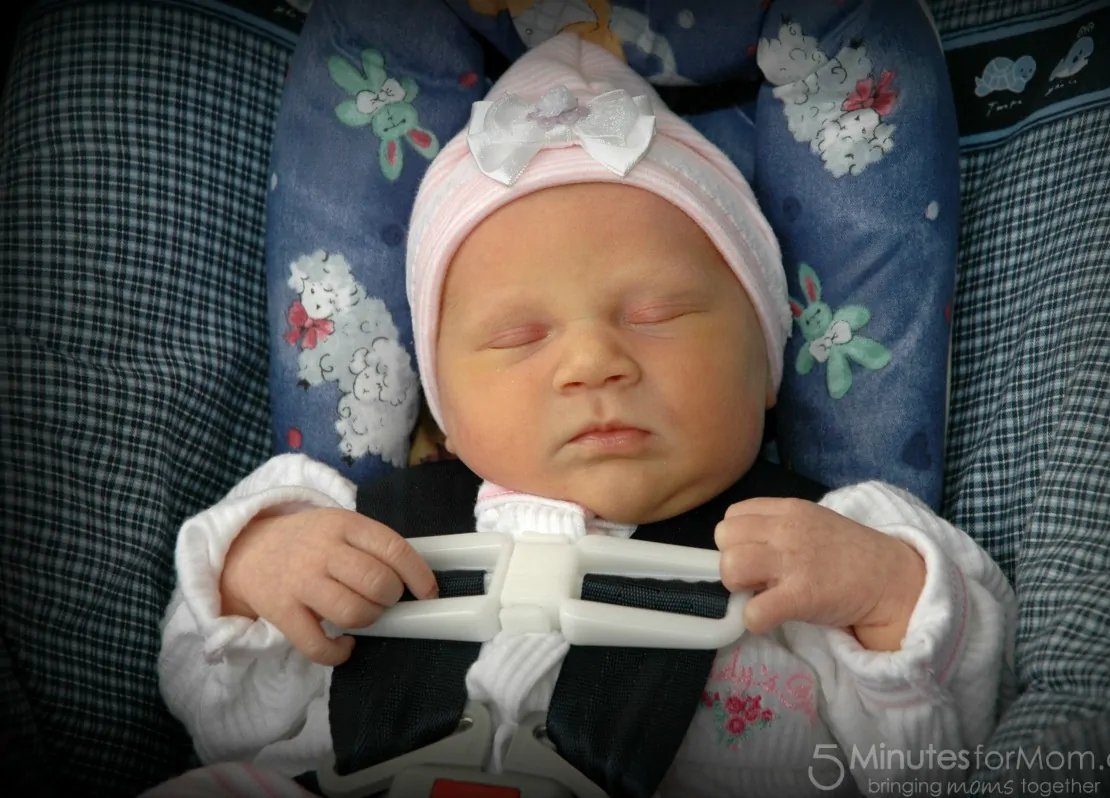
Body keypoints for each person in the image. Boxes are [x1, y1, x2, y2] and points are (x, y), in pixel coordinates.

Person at [150, 33, 1013, 798]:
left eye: (658, 315)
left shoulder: (819, 547)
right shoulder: (351, 527)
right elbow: (217, 711)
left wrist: (887, 593)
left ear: (766, 364)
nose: (593, 361)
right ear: (441, 408)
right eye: (519, 336)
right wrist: (252, 573)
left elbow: (939, 752)